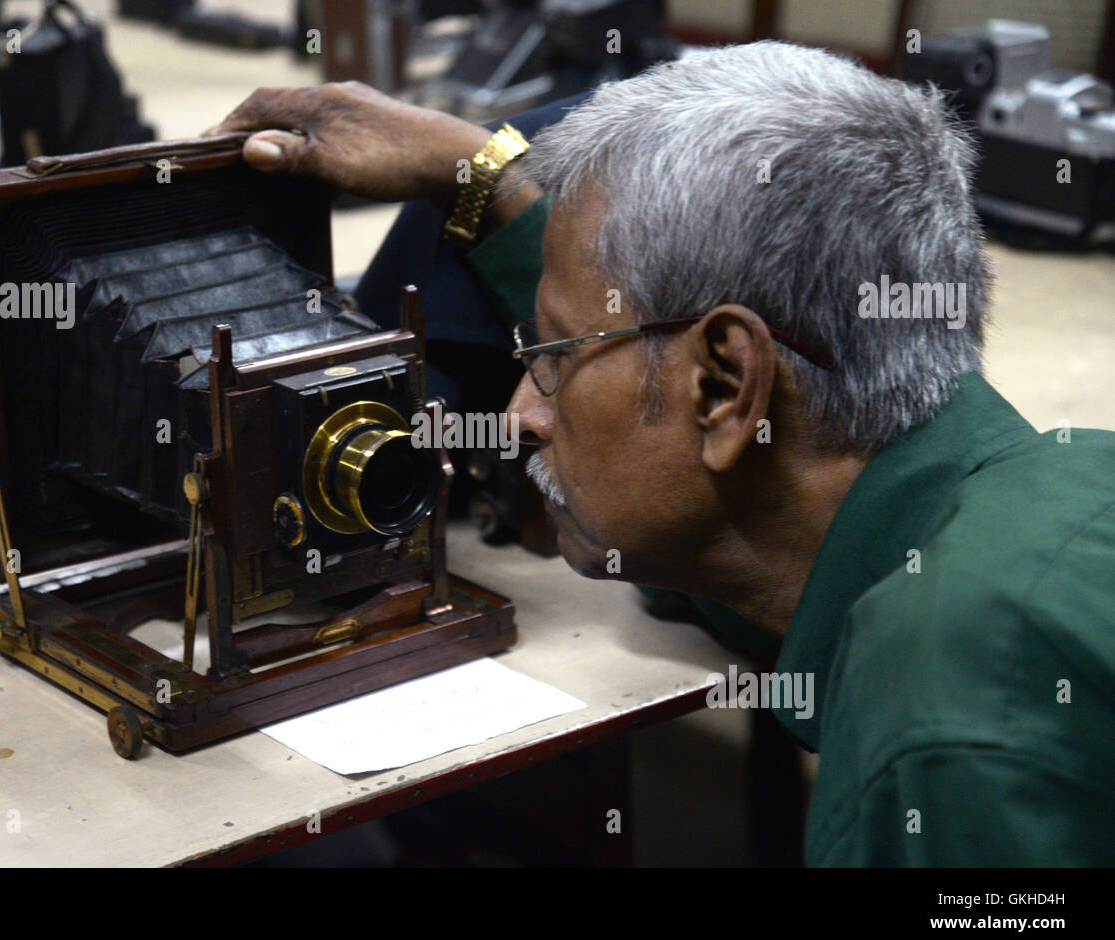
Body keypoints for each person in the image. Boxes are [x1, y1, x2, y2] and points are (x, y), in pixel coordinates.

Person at [211, 41, 1115, 866]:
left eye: (549, 358)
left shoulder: (944, 727)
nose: (519, 415)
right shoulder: (1041, 497)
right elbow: (673, 412)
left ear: (724, 387)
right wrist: (484, 179)